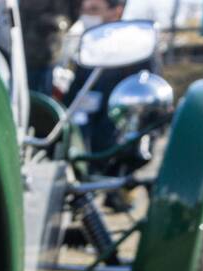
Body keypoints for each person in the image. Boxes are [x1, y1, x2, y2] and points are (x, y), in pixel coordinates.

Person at [66, 0, 162, 158]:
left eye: (94, 9)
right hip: (83, 133)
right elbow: (75, 94)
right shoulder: (88, 46)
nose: (86, 15)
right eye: (84, 10)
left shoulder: (137, 46)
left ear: (116, 12)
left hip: (118, 138)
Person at [20, 0, 80, 95]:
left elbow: (73, 12)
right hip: (18, 50)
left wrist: (56, 23)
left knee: (39, 98)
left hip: (45, 54)